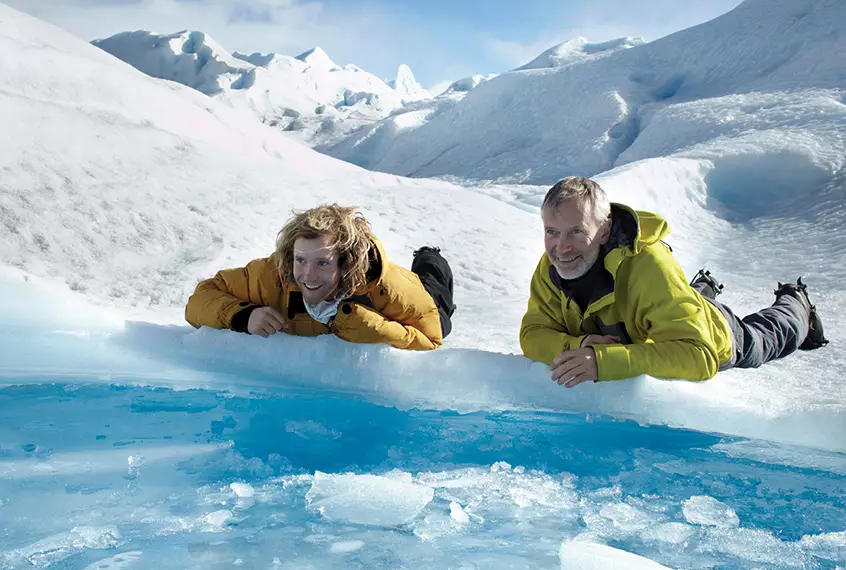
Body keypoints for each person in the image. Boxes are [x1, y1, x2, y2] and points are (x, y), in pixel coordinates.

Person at [519, 177, 828, 386]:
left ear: (603, 230)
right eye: (552, 232)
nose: (562, 247)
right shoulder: (552, 267)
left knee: (765, 339)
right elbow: (532, 334)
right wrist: (580, 345)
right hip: (666, 311)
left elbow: (699, 355)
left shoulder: (648, 265)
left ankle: (796, 304)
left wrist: (603, 362)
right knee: (677, 302)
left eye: (576, 231)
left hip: (715, 334)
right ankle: (700, 290)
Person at [186, 204, 455, 350]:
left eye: (322, 263)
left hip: (421, 301)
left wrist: (368, 326)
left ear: (346, 262)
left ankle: (430, 257)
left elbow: (431, 338)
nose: (308, 275)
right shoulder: (273, 274)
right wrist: (243, 316)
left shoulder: (384, 287)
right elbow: (199, 300)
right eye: (300, 259)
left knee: (435, 292)